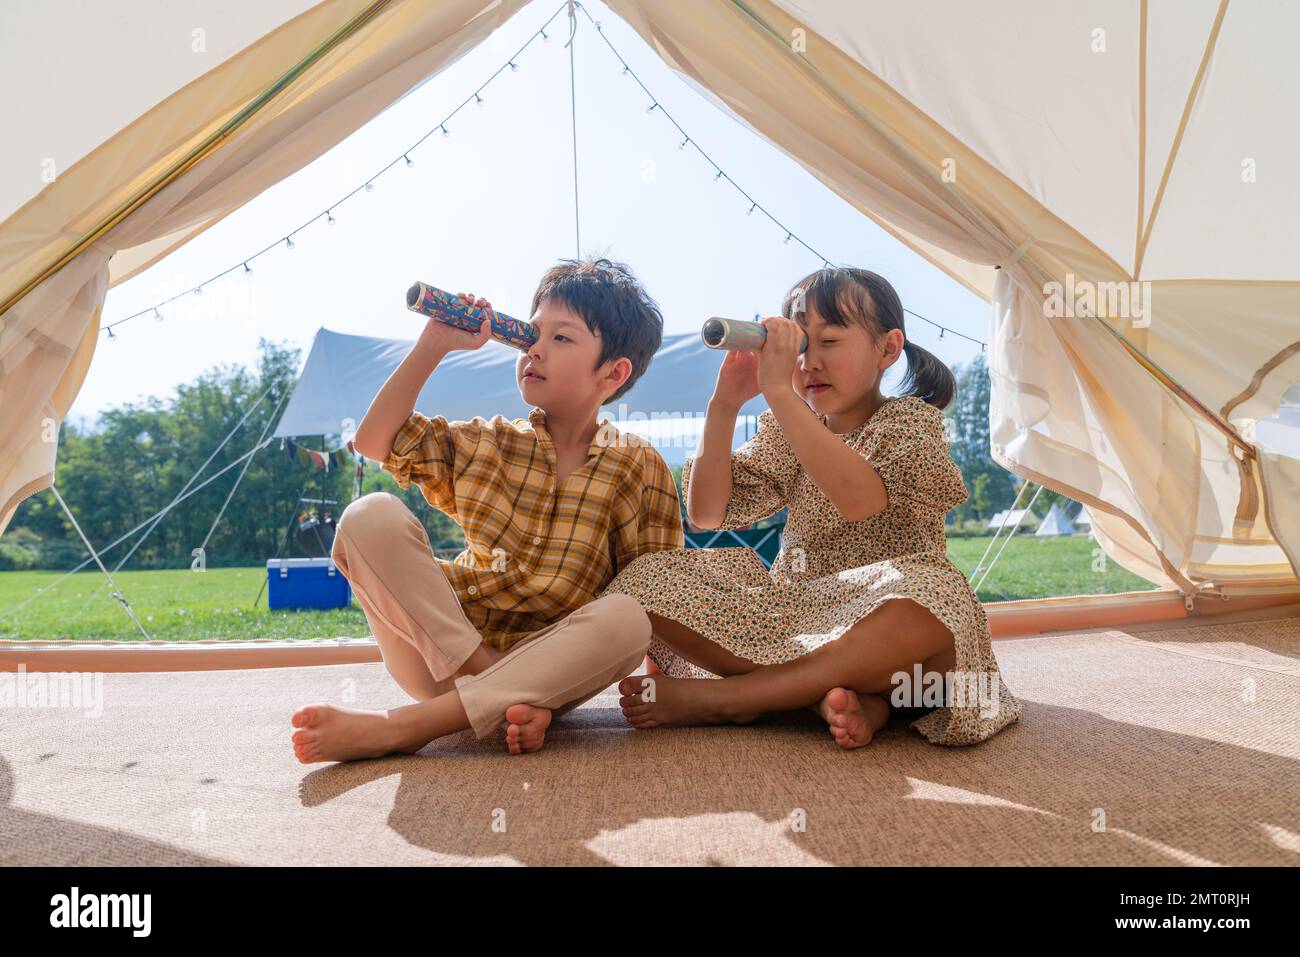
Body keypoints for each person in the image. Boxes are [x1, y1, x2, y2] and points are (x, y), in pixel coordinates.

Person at [601, 266, 1023, 748]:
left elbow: (860, 500)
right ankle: (838, 698)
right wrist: (724, 405)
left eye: (830, 341)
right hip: (797, 616)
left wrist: (781, 393)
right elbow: (707, 514)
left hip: (889, 629)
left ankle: (742, 698)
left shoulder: (909, 421)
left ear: (887, 349)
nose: (809, 363)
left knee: (939, 596)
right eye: (801, 346)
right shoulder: (786, 427)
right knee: (645, 575)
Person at [291, 258, 683, 763]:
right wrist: (434, 345)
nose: (534, 350)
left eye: (561, 339)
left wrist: (668, 692)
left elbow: (659, 586)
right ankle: (491, 693)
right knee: (368, 515)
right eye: (531, 334)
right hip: (441, 656)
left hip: (550, 670)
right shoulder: (487, 439)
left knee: (630, 619)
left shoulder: (637, 465)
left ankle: (405, 728)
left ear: (613, 371)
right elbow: (373, 440)